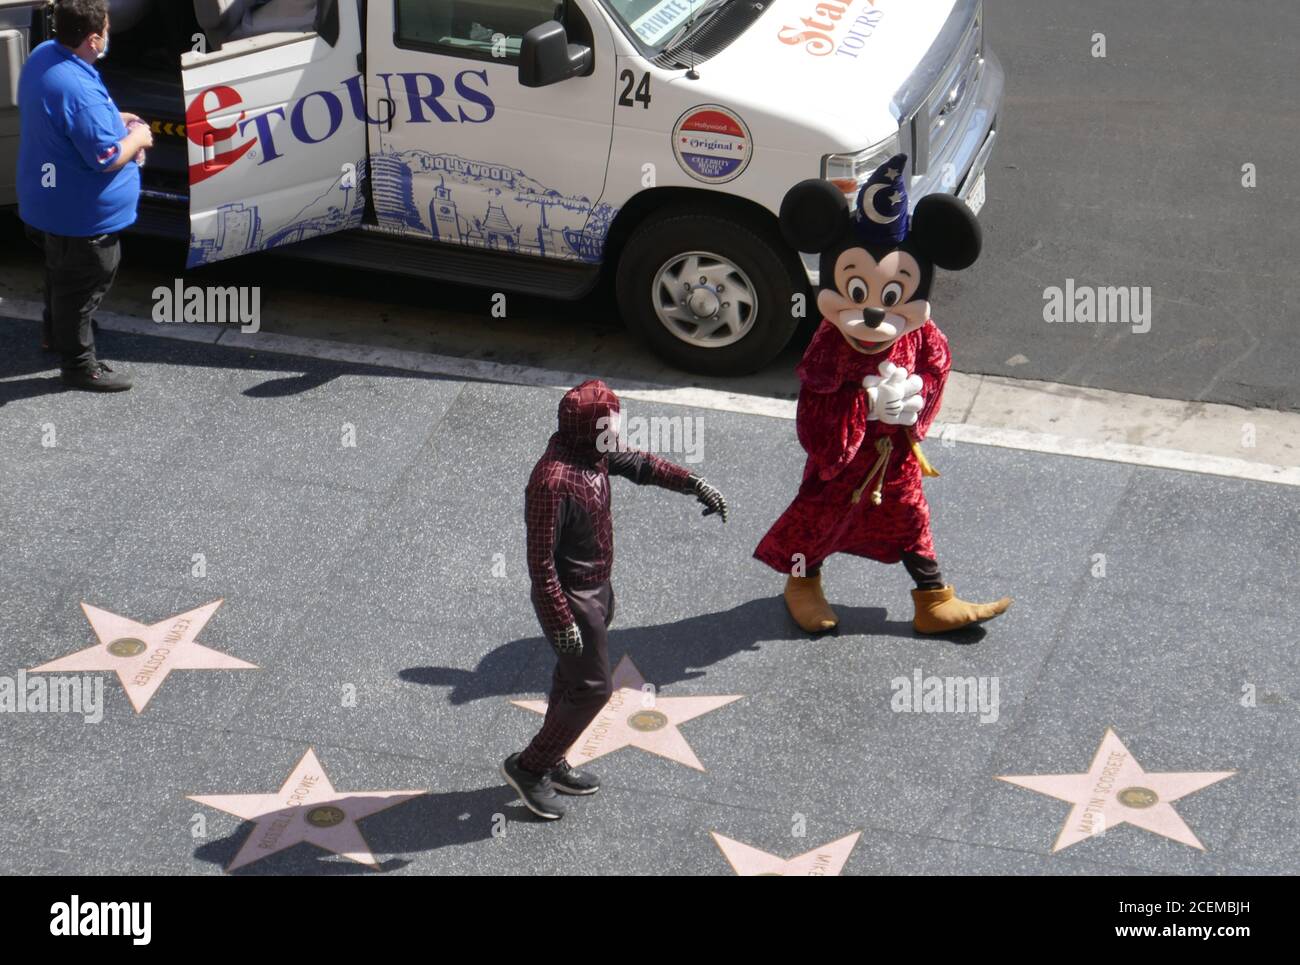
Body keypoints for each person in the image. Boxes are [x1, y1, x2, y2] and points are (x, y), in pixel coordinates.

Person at [502, 380, 729, 820]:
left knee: (571, 682)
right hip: (573, 598)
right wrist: (561, 618)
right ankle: (529, 767)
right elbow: (540, 563)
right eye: (607, 425)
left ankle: (553, 754)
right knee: (593, 689)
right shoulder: (551, 481)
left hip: (598, 588)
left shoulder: (594, 449)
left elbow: (643, 464)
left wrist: (694, 483)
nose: (615, 434)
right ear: (586, 427)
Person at [17, 0, 151, 391]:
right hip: (82, 218)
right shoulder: (78, 88)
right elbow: (106, 157)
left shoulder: (45, 55)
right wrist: (138, 137)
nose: (109, 34)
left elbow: (70, 118)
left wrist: (116, 120)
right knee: (84, 286)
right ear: (93, 39)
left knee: (59, 274)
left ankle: (53, 334)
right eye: (106, 29)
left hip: (46, 203)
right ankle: (78, 366)